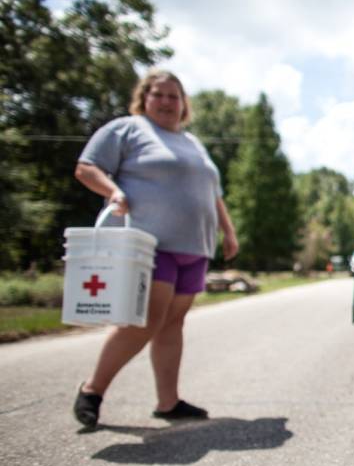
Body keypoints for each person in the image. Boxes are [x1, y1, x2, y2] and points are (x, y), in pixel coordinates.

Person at [72, 69, 238, 428]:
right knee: (147, 319)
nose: (166, 102)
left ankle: (168, 402)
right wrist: (113, 192)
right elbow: (86, 168)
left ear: (183, 104)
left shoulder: (192, 143)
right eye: (158, 95)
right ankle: (92, 390)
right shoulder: (128, 129)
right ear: (144, 98)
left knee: (172, 324)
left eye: (173, 96)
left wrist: (228, 231)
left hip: (195, 246)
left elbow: (214, 194)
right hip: (149, 244)